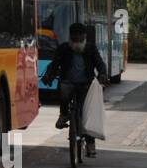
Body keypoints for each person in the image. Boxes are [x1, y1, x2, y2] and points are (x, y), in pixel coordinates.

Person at [41, 21, 108, 157]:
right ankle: (63, 115)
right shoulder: (63, 49)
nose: (77, 42)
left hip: (86, 84)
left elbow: (100, 64)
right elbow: (54, 65)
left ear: (84, 37)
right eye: (74, 39)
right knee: (64, 93)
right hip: (68, 82)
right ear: (70, 38)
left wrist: (102, 74)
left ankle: (90, 145)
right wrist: (48, 76)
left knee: (87, 114)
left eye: (80, 39)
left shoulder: (91, 49)